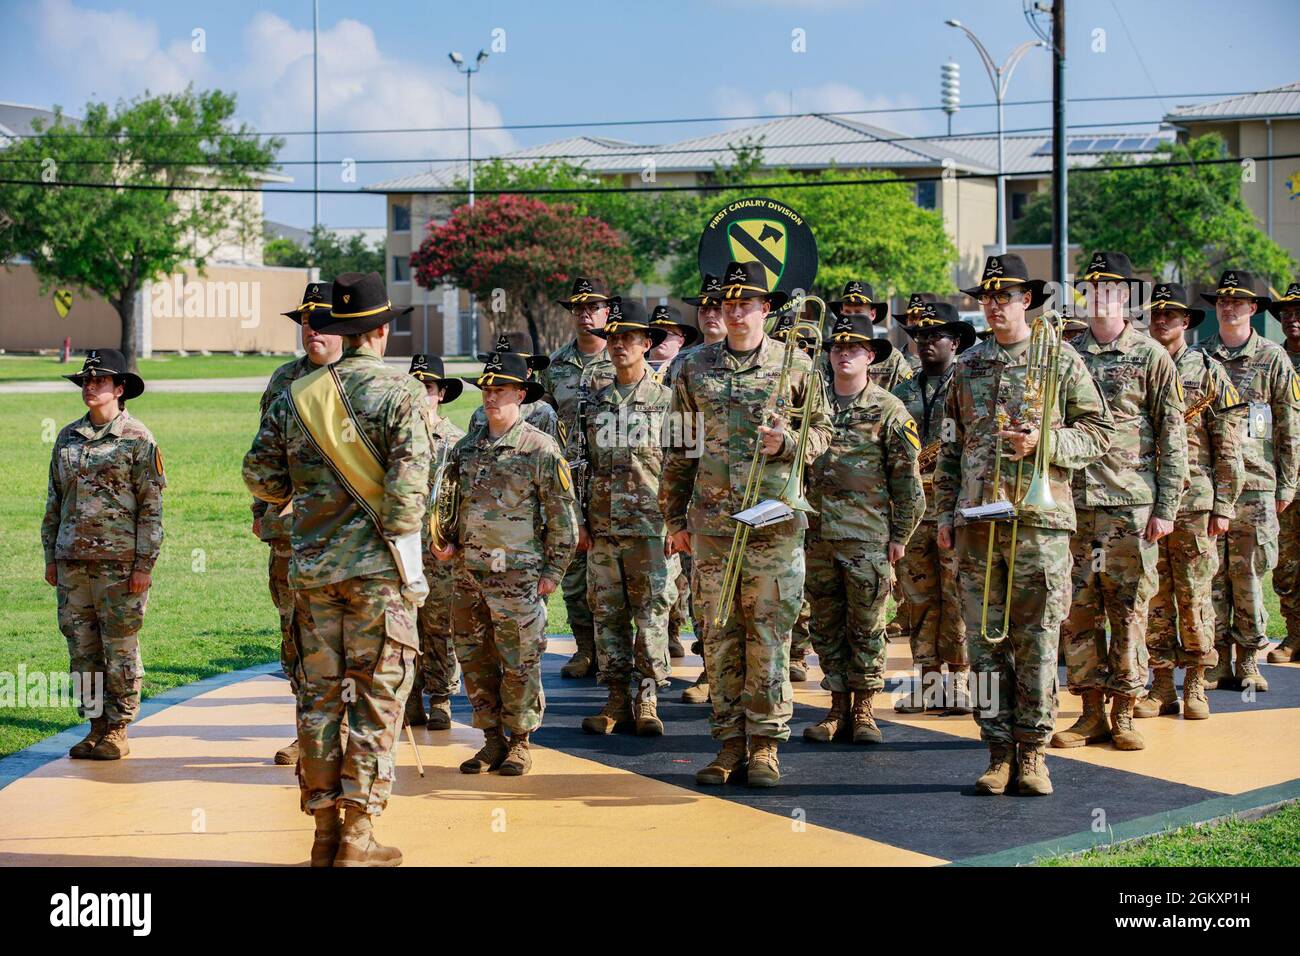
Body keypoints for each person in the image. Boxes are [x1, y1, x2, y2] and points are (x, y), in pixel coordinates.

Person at [243, 271, 431, 867]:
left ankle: (322, 833)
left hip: (314, 575)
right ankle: (356, 837)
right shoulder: (400, 395)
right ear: (380, 330)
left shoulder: (299, 395)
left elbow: (261, 476)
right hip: (378, 578)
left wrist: (313, 502)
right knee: (376, 701)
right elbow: (406, 503)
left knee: (318, 703)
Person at [935, 253, 1114, 796]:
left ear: (1026, 302)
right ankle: (996, 751)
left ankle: (1033, 753)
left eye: (1004, 296)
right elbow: (949, 446)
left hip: (1039, 522)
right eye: (986, 297)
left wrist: (1047, 443)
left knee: (1036, 640)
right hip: (978, 523)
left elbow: (1099, 431)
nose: (993, 305)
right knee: (986, 646)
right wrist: (944, 512)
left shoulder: (1059, 359)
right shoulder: (967, 366)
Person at [661, 261, 833, 787]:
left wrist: (790, 444)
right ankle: (729, 743)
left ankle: (765, 746)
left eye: (746, 304)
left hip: (774, 526)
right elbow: (679, 447)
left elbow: (825, 434)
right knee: (718, 635)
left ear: (766, 309)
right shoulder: (692, 368)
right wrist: (673, 517)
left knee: (769, 635)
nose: (734, 312)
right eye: (725, 304)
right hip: (713, 527)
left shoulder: (796, 366)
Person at [1053, 252, 1188, 753]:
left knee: (1129, 609)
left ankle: (1125, 711)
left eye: (1111, 288)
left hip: (1130, 505)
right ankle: (1089, 712)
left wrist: (1166, 507)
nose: (1100, 297)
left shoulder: (1150, 356)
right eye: (1092, 288)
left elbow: (1173, 437)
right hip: (1074, 505)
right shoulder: (1069, 355)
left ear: (1128, 296)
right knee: (1079, 612)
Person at [433, 346, 578, 777]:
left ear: (520, 394)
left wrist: (553, 572)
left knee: (519, 661)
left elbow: (564, 517)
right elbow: (448, 505)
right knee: (476, 661)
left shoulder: (540, 449)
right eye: (487, 389)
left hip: (518, 576)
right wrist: (446, 542)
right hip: (468, 575)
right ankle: (490, 740)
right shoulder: (466, 448)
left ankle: (519, 742)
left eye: (501, 389)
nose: (491, 396)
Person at [803, 312, 924, 745]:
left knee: (868, 625)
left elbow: (907, 481)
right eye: (837, 348)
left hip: (867, 538)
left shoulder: (889, 409)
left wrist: (899, 538)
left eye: (853, 348)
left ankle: (865, 709)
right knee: (826, 623)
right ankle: (836, 707)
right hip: (817, 536)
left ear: (870, 356)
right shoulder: (812, 407)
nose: (843, 355)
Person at [43, 349, 164, 762]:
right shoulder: (67, 437)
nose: (91, 386)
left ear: (120, 388)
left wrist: (144, 565)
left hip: (120, 565)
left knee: (120, 647)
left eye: (100, 380)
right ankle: (94, 726)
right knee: (82, 647)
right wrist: (51, 556)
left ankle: (118, 728)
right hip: (73, 562)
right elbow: (55, 502)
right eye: (87, 380)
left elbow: (151, 508)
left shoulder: (138, 438)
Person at [1140, 283, 1244, 720]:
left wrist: (1225, 503)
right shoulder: (1138, 365)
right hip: (1146, 500)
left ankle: (1197, 683)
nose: (1162, 320)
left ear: (1186, 322)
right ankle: (1161, 684)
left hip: (1195, 500)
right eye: (1156, 314)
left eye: (1172, 315)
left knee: (1196, 594)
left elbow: (1229, 441)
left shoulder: (1208, 369)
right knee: (1154, 596)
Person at [254, 283, 343, 765]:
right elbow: (263, 455)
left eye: (323, 321)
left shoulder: (358, 381)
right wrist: (260, 509)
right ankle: (309, 733)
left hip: (349, 534)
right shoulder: (284, 380)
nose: (312, 329)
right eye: (306, 321)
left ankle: (350, 732)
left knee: (347, 634)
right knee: (296, 633)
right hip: (290, 533)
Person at [1198, 270, 1300, 693]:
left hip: (1258, 484)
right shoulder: (1201, 356)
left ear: (1252, 309)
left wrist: (1287, 483)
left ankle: (1249, 661)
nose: (1229, 307)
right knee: (1214, 576)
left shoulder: (1273, 357)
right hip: (1213, 486)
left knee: (1250, 575)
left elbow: (1288, 425)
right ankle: (1218, 659)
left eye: (1238, 302)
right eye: (1223, 301)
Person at [578, 302, 675, 735]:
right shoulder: (594, 402)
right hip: (602, 527)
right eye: (613, 338)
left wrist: (678, 521)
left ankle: (648, 698)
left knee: (652, 614)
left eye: (629, 338)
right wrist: (579, 522)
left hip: (652, 528)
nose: (618, 345)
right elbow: (581, 464)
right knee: (607, 613)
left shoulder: (670, 400)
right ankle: (615, 698)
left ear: (646, 344)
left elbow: (683, 463)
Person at [892, 303, 977, 714]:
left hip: (954, 503)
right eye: (920, 337)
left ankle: (959, 680)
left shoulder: (969, 384)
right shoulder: (904, 390)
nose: (924, 344)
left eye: (934, 337)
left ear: (955, 342)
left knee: (957, 594)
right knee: (919, 597)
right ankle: (928, 679)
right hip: (912, 507)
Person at [540, 278, 617, 679]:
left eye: (594, 308)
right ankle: (584, 648)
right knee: (572, 570)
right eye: (578, 309)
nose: (586, 315)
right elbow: (545, 422)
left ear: (608, 311)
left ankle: (613, 651)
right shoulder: (556, 365)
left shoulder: (621, 359)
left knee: (610, 572)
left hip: (613, 480)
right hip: (568, 481)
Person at [672, 274, 728, 704]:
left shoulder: (782, 364)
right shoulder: (686, 365)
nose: (711, 313)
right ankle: (711, 670)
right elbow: (679, 443)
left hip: (763, 511)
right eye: (705, 307)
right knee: (704, 598)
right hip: (705, 507)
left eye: (718, 305)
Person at [408, 354, 466, 730]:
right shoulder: (396, 436)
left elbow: (463, 497)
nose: (421, 395)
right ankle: (410, 695)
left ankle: (442, 696)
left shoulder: (457, 440)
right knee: (405, 623)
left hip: (440, 547)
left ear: (441, 393)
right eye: (414, 388)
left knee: (440, 622)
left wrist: (453, 540)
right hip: (404, 544)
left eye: (427, 388)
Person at [647, 303, 701, 661]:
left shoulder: (686, 372)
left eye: (669, 333)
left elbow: (685, 448)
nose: (661, 339)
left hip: (689, 495)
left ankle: (678, 631)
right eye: (656, 332)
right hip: (639, 496)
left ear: (681, 339)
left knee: (685, 577)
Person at [1267, 282, 1300, 665]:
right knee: (1287, 564)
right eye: (1288, 313)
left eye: (1299, 313)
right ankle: (1295, 634)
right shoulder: (1274, 361)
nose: (1293, 320)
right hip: (1283, 479)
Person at [469, 333, 558, 438]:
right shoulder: (480, 415)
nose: (503, 367)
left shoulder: (543, 413)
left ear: (528, 371)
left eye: (512, 363)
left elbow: (552, 450)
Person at [828, 280, 913, 391]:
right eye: (847, 312)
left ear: (872, 314)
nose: (852, 318)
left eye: (858, 312)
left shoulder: (892, 358)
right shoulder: (829, 353)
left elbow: (910, 393)